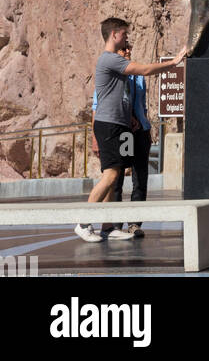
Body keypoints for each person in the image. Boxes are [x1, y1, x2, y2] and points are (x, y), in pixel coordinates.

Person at [75, 17, 184, 244]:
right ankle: (83, 222)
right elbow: (144, 69)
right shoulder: (109, 59)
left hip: (122, 125)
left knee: (117, 173)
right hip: (108, 125)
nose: (127, 40)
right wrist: (174, 62)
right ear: (114, 34)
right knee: (111, 175)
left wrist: (133, 119)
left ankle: (108, 226)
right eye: (124, 35)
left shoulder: (115, 63)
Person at [93, 38, 152, 239]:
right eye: (124, 48)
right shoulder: (112, 75)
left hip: (140, 131)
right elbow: (97, 105)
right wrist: (95, 139)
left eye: (129, 48)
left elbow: (141, 104)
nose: (127, 51)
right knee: (117, 176)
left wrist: (142, 121)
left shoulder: (138, 76)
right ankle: (115, 223)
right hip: (124, 132)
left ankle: (135, 223)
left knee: (140, 177)